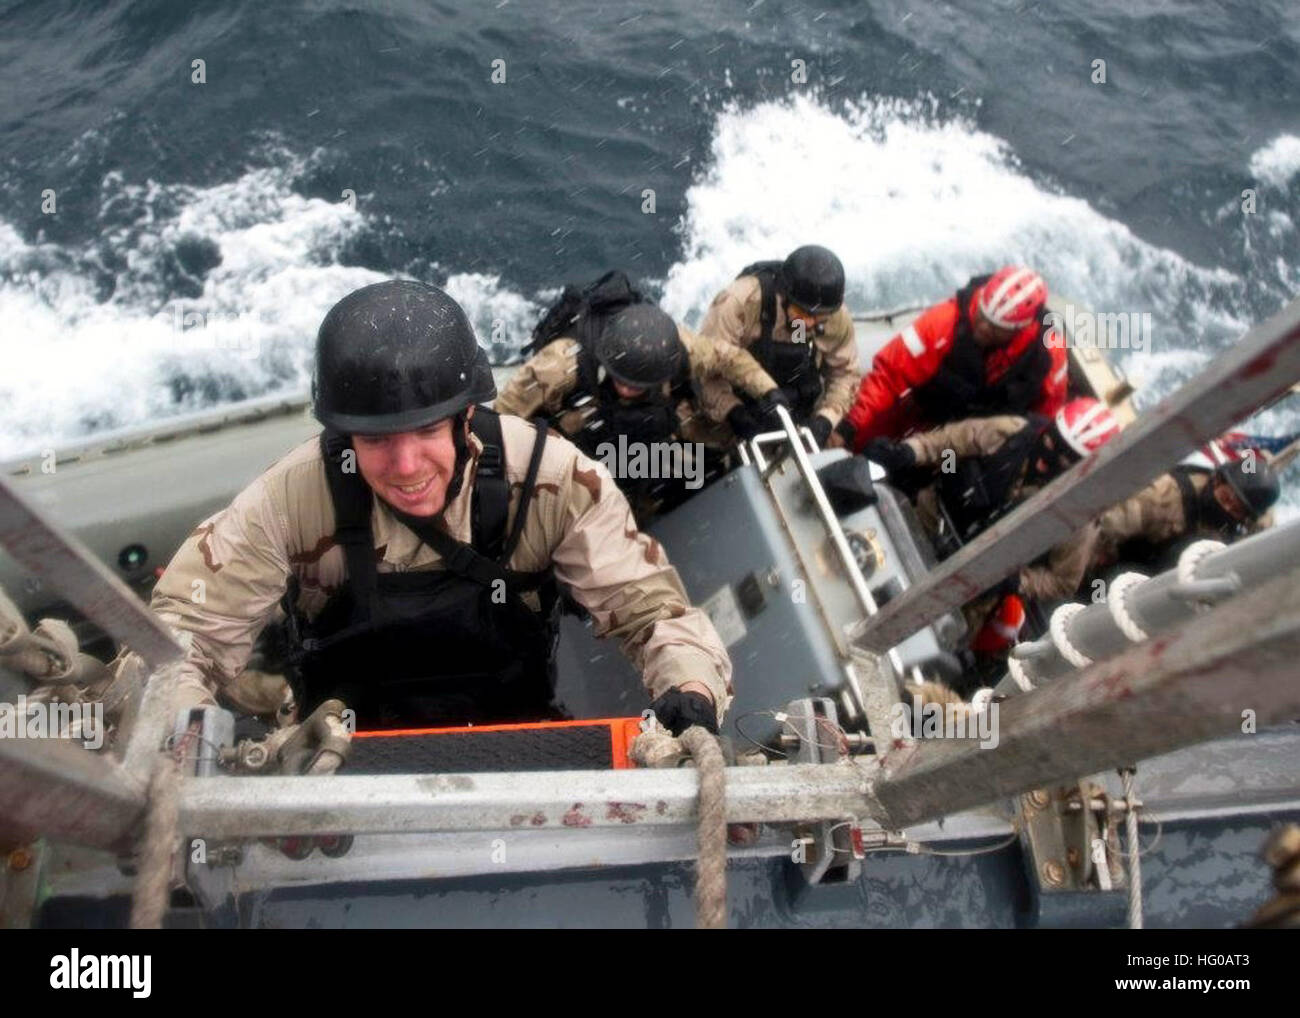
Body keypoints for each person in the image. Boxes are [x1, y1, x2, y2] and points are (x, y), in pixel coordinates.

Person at [149, 281, 732, 736]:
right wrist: (184, 730)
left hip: (511, 732)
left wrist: (690, 688)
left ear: (463, 417)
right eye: (376, 438)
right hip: (338, 746)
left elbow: (650, 611)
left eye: (426, 429)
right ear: (343, 434)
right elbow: (184, 637)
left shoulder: (551, 481)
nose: (405, 466)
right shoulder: (291, 500)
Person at [864, 398, 1122, 657]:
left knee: (922, 649)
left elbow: (1063, 581)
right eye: (1050, 444)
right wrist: (907, 452)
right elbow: (948, 443)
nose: (1046, 461)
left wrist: (1016, 581)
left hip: (968, 590)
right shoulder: (1011, 432)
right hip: (921, 525)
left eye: (1065, 460)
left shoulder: (1079, 518)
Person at [495, 302, 786, 518]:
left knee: (695, 470)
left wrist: (769, 391)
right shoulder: (560, 365)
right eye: (619, 379)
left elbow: (730, 358)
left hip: (638, 448)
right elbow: (501, 418)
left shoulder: (677, 351)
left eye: (636, 384)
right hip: (572, 446)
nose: (625, 389)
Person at [835, 266, 1069, 450]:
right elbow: (888, 375)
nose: (984, 328)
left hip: (968, 443)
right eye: (982, 315)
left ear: (1021, 328)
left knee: (945, 471)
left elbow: (1046, 413)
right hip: (923, 412)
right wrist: (850, 425)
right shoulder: (943, 322)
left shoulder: (1046, 355)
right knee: (870, 436)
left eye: (996, 327)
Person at [697, 245, 860, 447]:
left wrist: (826, 420)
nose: (809, 323)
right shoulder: (740, 303)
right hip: (740, 406)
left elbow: (845, 374)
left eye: (817, 317)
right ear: (784, 295)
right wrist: (733, 412)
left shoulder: (830, 314)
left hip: (798, 411)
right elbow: (706, 368)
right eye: (803, 313)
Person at [1090, 455, 1280, 577]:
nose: (1228, 507)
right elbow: (1102, 530)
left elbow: (1264, 528)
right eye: (1226, 497)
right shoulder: (1162, 498)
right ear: (1217, 480)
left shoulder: (1246, 522)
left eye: (1237, 510)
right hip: (1123, 568)